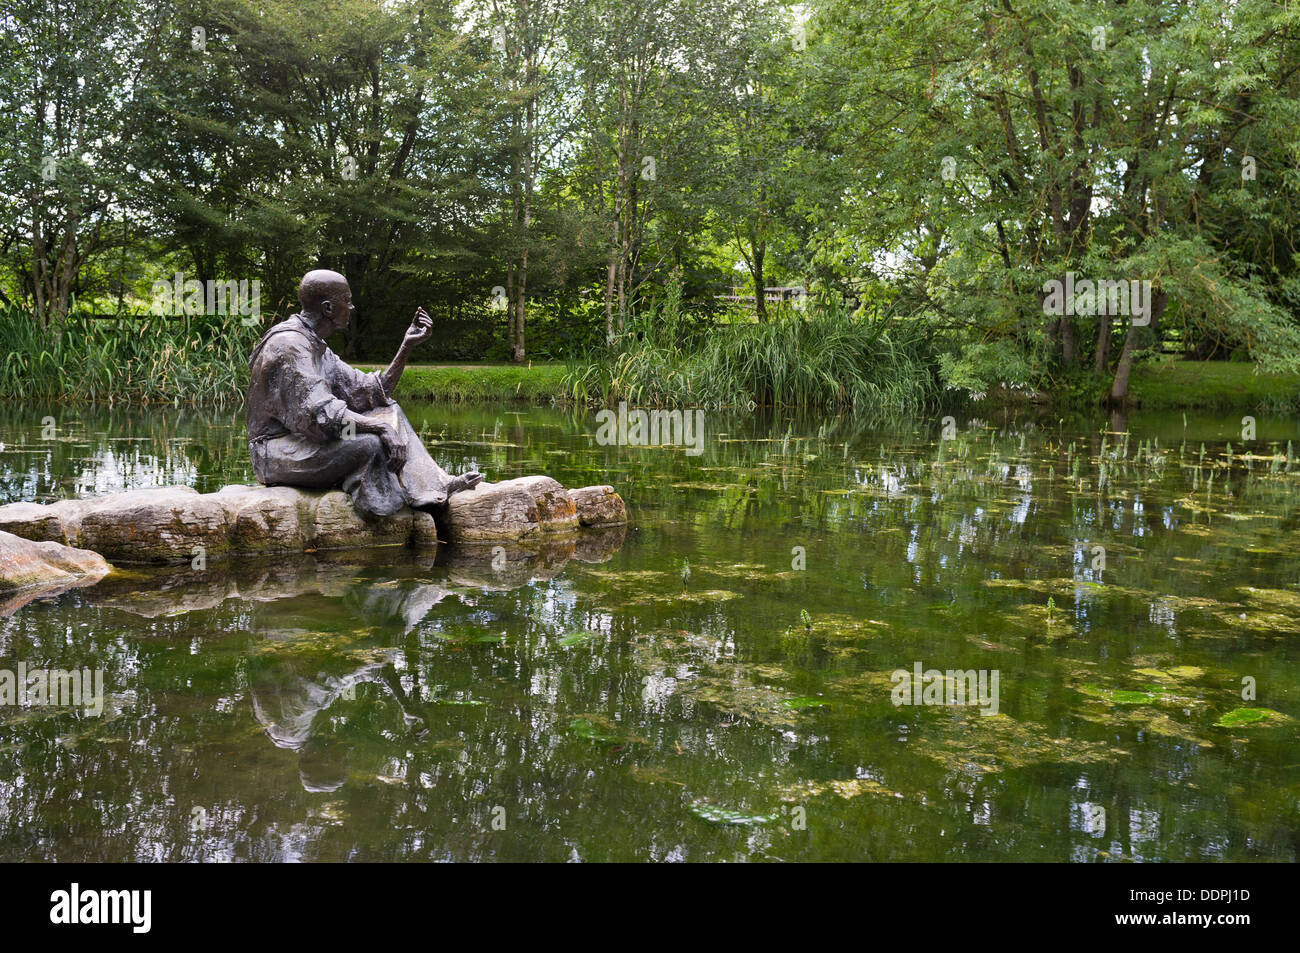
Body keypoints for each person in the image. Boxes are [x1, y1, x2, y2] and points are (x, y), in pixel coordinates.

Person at [246, 269, 482, 518]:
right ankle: (377, 507)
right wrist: (380, 429)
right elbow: (320, 416)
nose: (352, 307)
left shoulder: (316, 344)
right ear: (328, 308)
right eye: (347, 300)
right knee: (369, 442)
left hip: (305, 440)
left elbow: (371, 391)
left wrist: (406, 346)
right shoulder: (290, 346)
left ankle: (433, 488)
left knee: (389, 410)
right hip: (276, 452)